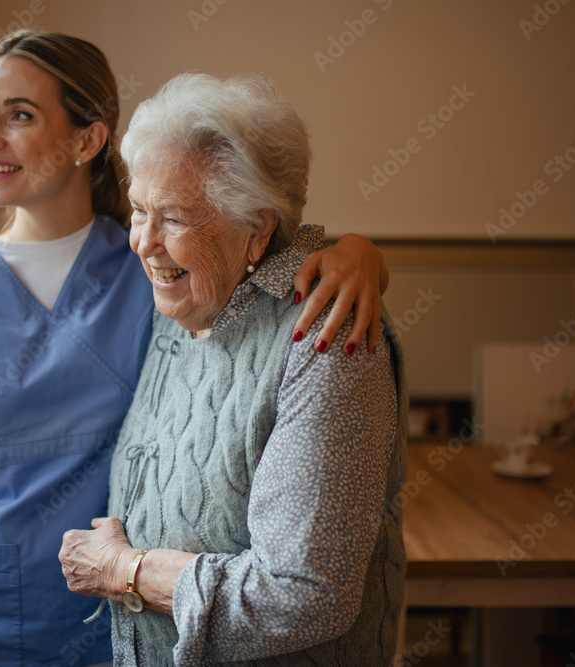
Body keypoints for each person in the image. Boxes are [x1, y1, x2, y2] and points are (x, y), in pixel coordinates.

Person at [0, 30, 390, 667]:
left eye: (20, 114)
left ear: (89, 140)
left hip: (107, 622)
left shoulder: (154, 277)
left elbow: (265, 265)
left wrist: (360, 253)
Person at [58, 72, 407, 666]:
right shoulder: (182, 300)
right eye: (139, 209)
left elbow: (304, 595)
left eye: (172, 217)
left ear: (257, 230)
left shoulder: (324, 335)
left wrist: (128, 570)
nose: (143, 241)